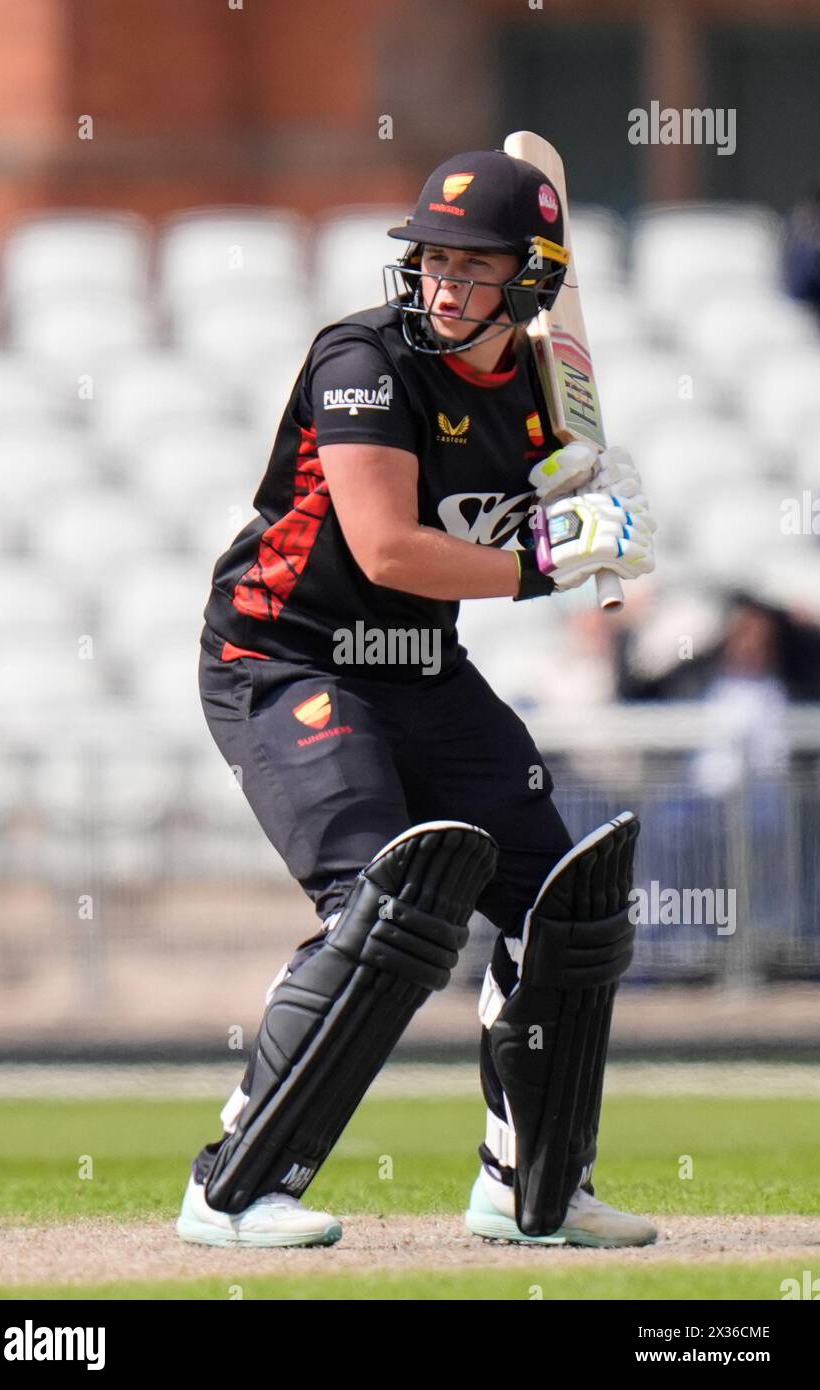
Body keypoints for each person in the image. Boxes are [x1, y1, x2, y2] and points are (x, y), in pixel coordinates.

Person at [176, 149, 658, 1250]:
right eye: (431, 261)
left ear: (529, 280)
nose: (442, 286)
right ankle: (235, 1184)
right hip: (284, 657)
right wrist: (548, 560)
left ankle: (531, 1184)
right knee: (385, 905)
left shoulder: (540, 393)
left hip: (418, 664)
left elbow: (574, 554)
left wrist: (599, 515)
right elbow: (389, 550)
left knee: (565, 905)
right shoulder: (364, 357)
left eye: (473, 267)